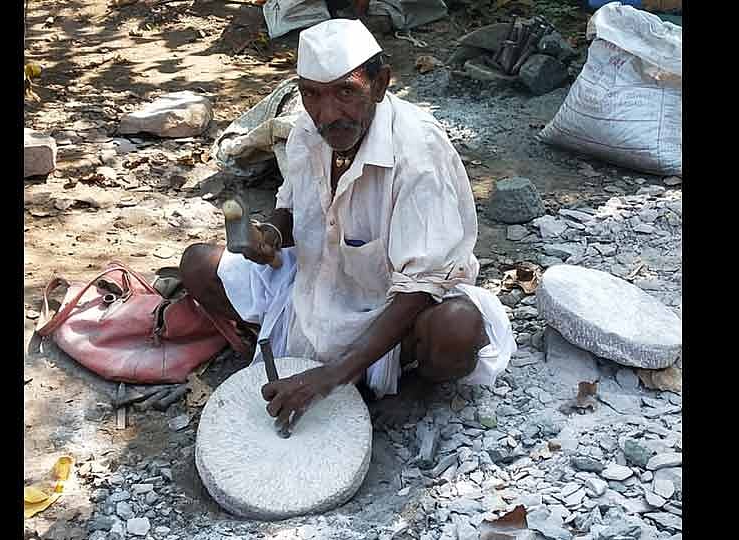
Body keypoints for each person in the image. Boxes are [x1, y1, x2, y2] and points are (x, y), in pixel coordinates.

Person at [179, 19, 514, 434]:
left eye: (346, 93)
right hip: (314, 286)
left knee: (456, 328)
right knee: (196, 263)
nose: (328, 113)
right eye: (312, 95)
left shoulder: (418, 153)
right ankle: (276, 358)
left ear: (380, 85)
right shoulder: (308, 128)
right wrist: (271, 237)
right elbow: (292, 205)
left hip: (390, 308)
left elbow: (422, 287)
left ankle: (409, 385)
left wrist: (332, 374)